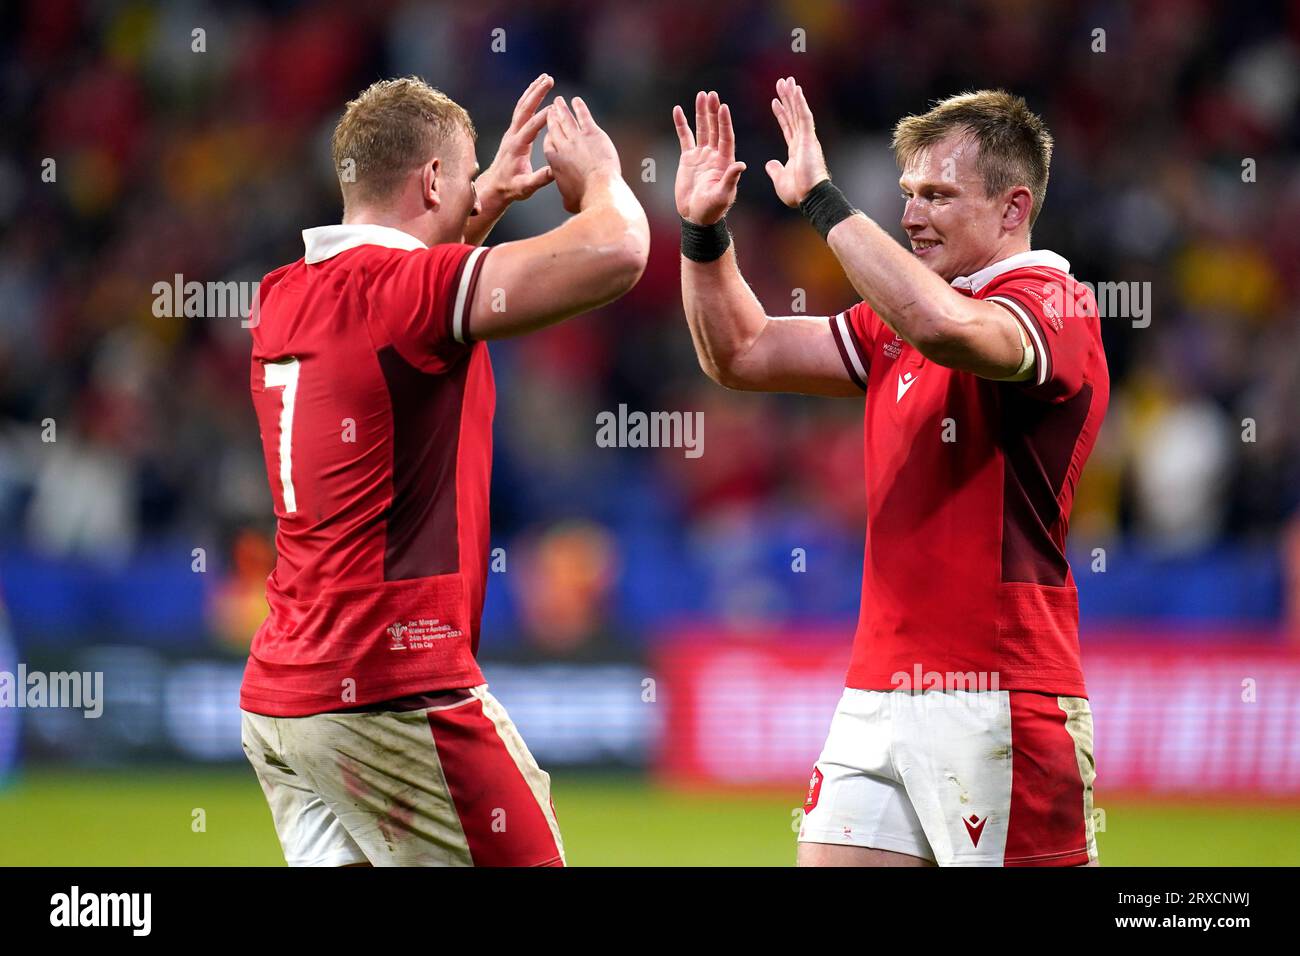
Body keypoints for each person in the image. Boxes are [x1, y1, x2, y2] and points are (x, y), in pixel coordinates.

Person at [673, 80, 1108, 867]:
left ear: (1013, 209)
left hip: (997, 697)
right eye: (907, 192)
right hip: (877, 687)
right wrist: (705, 234)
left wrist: (823, 203)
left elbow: (945, 328)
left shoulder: (1056, 305)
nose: (911, 215)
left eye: (937, 195)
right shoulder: (900, 317)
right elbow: (742, 352)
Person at [240, 74, 648, 867]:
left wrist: (476, 199)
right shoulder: (410, 292)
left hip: (285, 697)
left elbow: (395, 315)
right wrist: (601, 175)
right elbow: (618, 251)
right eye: (460, 181)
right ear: (431, 181)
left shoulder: (281, 295)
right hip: (393, 685)